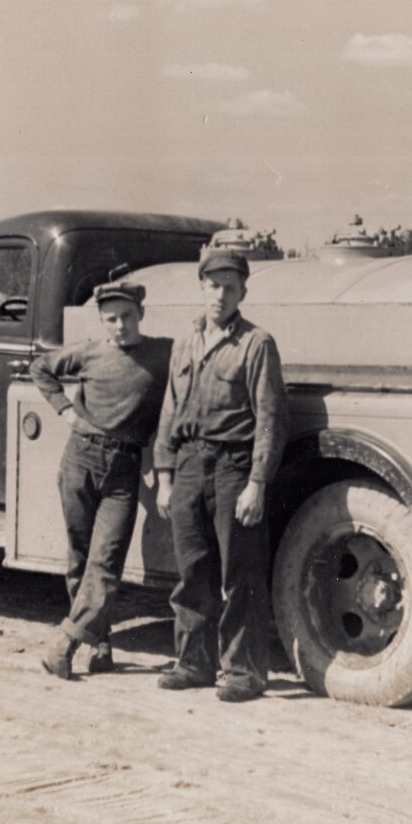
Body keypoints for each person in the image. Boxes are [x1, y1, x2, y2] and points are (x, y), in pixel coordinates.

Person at [153, 249, 288, 703]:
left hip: (233, 466)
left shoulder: (256, 344)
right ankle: (193, 663)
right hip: (189, 463)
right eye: (213, 285)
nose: (221, 294)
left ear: (243, 292)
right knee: (192, 571)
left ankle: (243, 672)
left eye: (231, 286)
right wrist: (166, 475)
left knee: (240, 573)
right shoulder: (185, 342)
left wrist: (257, 482)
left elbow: (270, 418)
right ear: (202, 287)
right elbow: (170, 410)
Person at [29, 280, 173, 680]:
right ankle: (100, 641)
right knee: (78, 557)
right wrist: (64, 411)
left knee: (105, 562)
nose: (121, 325)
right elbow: (41, 368)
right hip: (79, 458)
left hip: (124, 471)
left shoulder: (161, 353)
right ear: (102, 321)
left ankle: (66, 643)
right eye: (112, 318)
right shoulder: (89, 352)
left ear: (140, 314)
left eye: (127, 316)